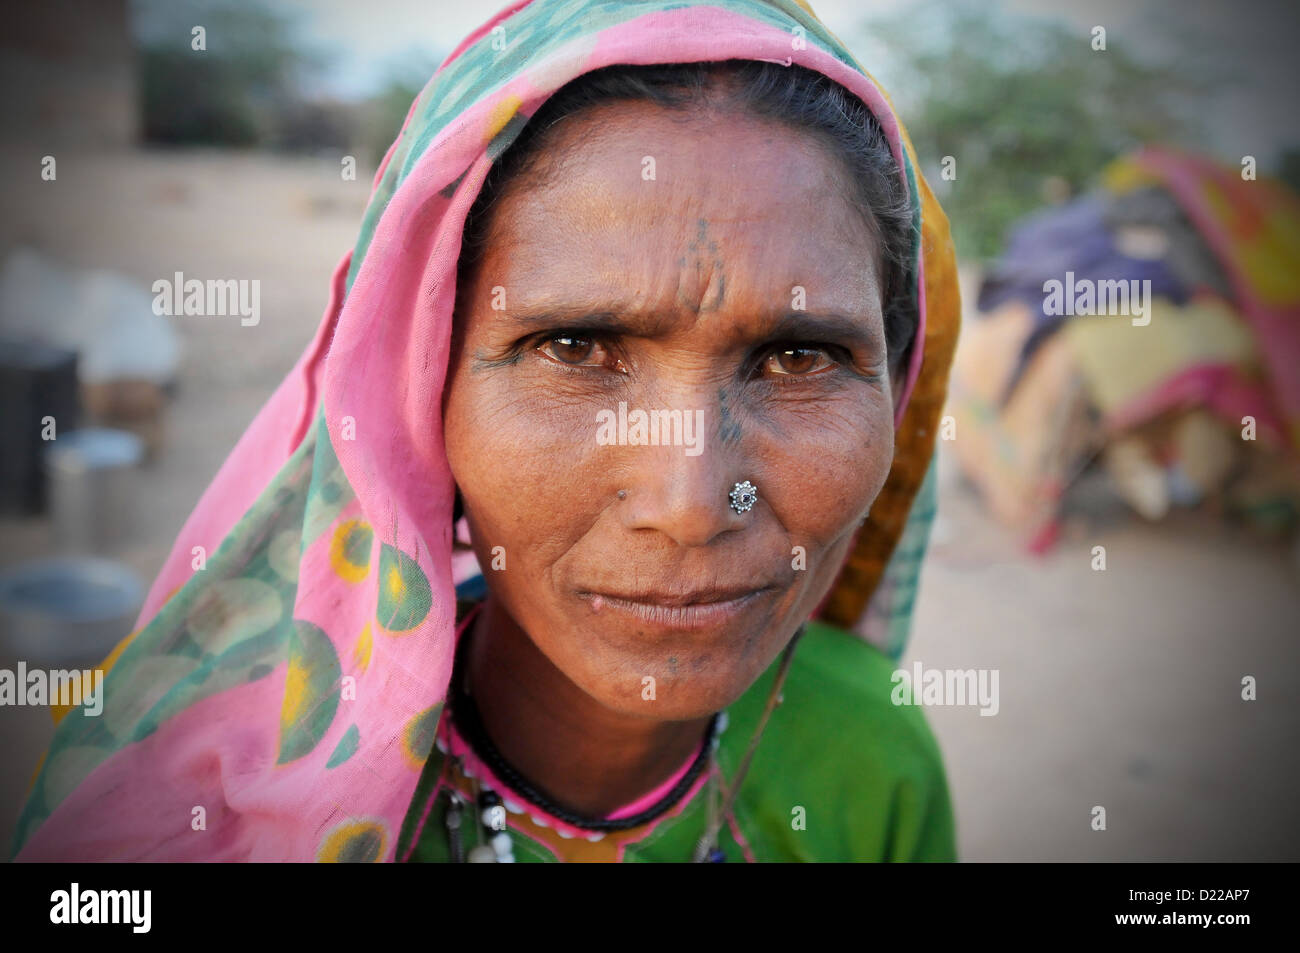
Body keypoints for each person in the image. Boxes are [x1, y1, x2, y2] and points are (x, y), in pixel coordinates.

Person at [13, 0, 961, 863]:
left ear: (899, 377)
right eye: (576, 346)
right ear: (421, 390)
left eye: (800, 358)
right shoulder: (207, 802)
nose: (691, 504)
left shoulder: (871, 751)